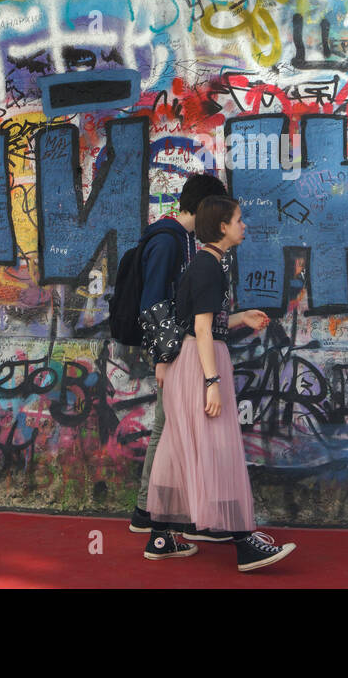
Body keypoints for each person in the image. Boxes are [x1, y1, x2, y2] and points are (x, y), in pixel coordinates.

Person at [143, 195, 298, 571]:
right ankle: (244, 543)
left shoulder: (204, 264)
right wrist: (212, 381)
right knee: (218, 446)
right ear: (223, 227)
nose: (244, 226)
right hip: (201, 367)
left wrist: (241, 317)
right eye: (239, 220)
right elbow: (199, 328)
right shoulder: (209, 267)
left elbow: (204, 322)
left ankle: (161, 536)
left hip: (191, 363)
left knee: (179, 448)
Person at [128, 173, 227, 540]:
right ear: (203, 209)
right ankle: (148, 511)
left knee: (168, 426)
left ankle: (153, 510)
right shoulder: (169, 242)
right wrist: (165, 357)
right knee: (166, 427)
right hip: (172, 352)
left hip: (175, 350)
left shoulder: (183, 240)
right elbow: (152, 304)